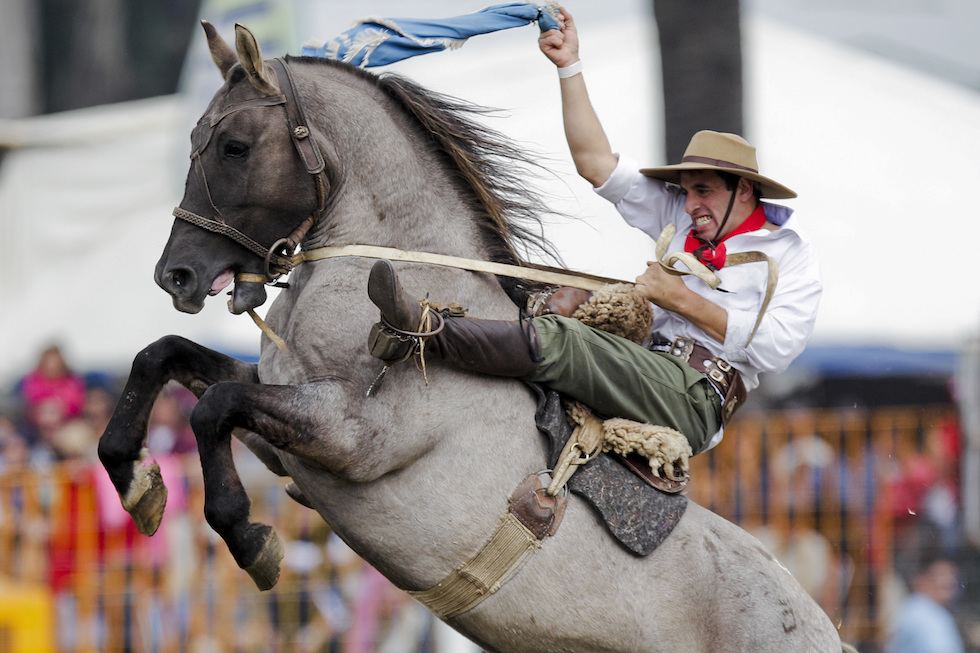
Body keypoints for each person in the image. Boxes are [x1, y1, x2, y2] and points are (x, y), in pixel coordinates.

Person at [364, 6, 821, 456]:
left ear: (743, 190)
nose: (691, 204)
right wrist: (569, 67)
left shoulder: (791, 255)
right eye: (685, 192)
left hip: (697, 394)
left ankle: (424, 331)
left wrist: (679, 298)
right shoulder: (686, 213)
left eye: (702, 191)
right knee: (538, 291)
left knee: (565, 339)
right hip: (641, 362)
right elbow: (597, 165)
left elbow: (776, 349)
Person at [887, 543, 964, 653]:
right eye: (942, 575)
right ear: (920, 579)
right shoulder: (925, 613)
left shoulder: (914, 608)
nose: (950, 581)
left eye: (952, 575)